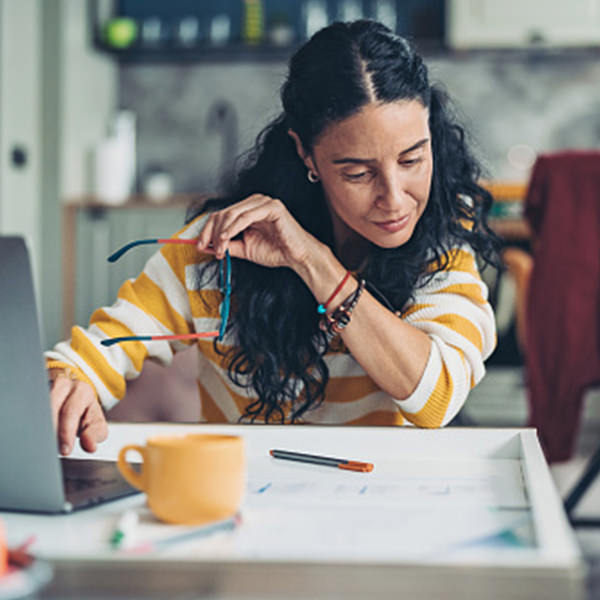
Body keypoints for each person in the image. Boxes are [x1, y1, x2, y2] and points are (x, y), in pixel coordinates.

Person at [46, 19, 498, 456]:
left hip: (379, 501)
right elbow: (107, 344)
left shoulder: (443, 241)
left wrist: (314, 262)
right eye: (358, 173)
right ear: (306, 153)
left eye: (412, 160)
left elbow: (436, 398)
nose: (395, 199)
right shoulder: (225, 243)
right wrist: (72, 380)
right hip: (241, 499)